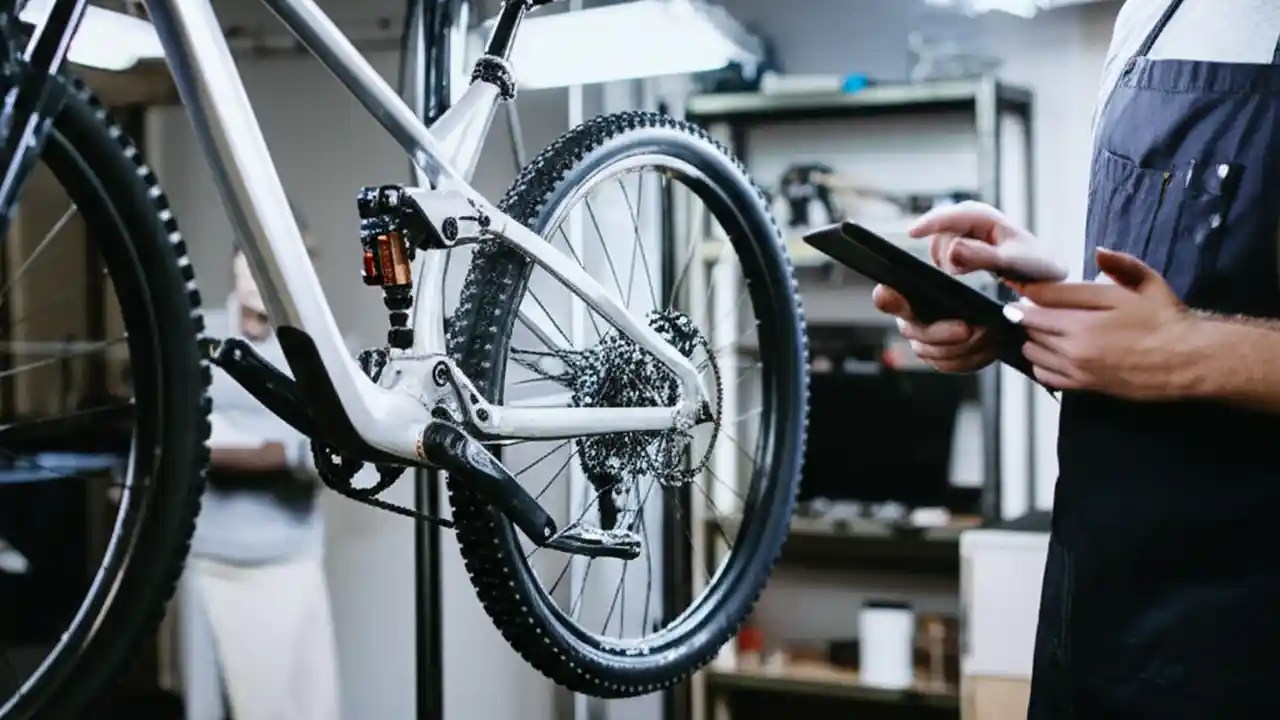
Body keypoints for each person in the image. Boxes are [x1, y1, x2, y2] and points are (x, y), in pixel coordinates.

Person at [872, 1, 1280, 717]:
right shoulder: (1150, 19)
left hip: (1246, 639)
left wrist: (1184, 351)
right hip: (1092, 622)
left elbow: (1174, 339)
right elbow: (1154, 324)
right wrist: (1029, 312)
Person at [178, 246, 341, 720]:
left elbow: (321, 454)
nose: (259, 275)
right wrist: (274, 449)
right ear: (233, 264)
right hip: (216, 562)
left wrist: (237, 446)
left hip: (293, 558)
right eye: (251, 260)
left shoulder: (315, 351)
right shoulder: (198, 336)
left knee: (310, 705)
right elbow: (182, 441)